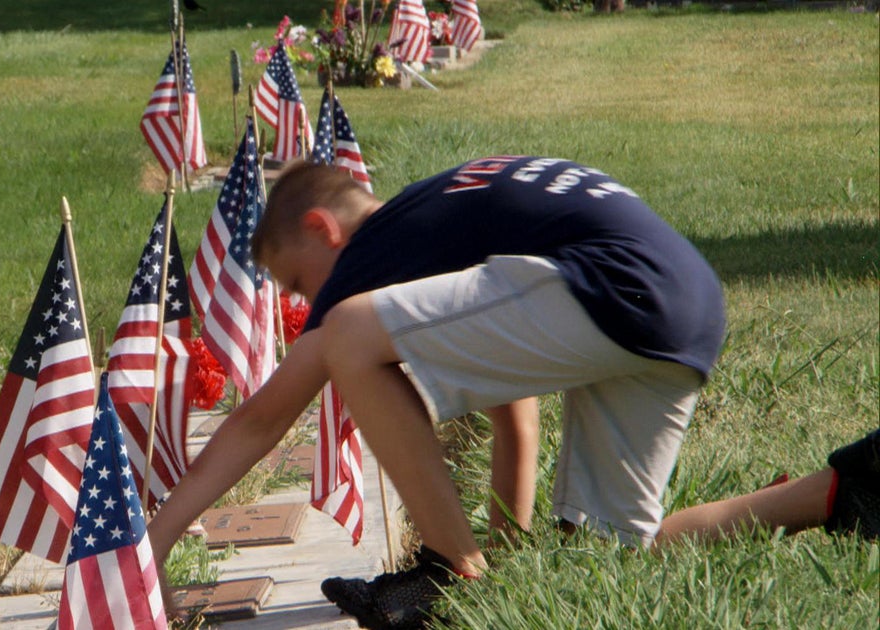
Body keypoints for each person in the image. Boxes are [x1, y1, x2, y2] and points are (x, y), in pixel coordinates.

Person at [146, 157, 874, 629]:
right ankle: (841, 489)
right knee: (603, 555)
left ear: (321, 229)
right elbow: (514, 415)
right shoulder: (448, 214)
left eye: (298, 282)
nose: (308, 301)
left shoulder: (374, 252)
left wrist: (153, 543)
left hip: (613, 288)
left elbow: (262, 418)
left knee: (349, 337)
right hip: (683, 304)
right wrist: (509, 558)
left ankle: (445, 573)